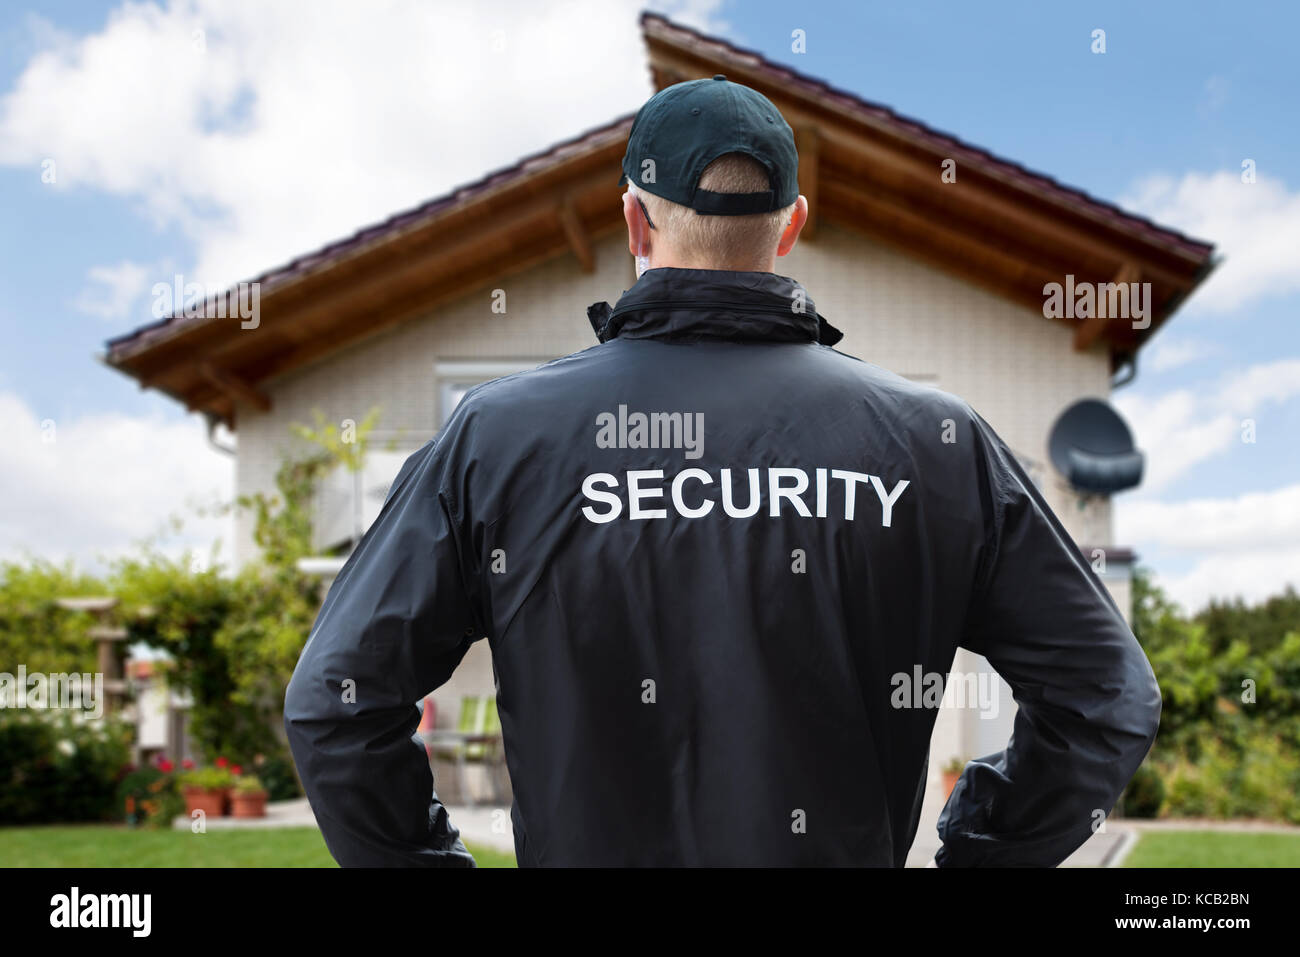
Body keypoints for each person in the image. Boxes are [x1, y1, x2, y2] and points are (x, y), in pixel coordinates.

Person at [284, 76, 1161, 867]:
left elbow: (337, 703)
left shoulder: (496, 438)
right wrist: (981, 851)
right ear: (791, 227)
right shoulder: (934, 441)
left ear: (633, 220)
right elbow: (1106, 697)